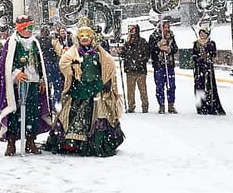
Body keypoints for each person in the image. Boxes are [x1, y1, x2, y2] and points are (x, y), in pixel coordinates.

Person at [44, 22, 125, 156]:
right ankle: (72, 143)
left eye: (87, 36)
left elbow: (109, 65)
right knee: (71, 115)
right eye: (82, 36)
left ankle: (95, 143)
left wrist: (107, 81)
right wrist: (72, 67)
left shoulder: (99, 52)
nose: (85, 38)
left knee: (98, 115)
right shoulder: (73, 52)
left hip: (95, 88)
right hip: (78, 89)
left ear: (92, 38)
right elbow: (63, 63)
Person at [0, 16, 53, 156]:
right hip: (17, 85)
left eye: (32, 27)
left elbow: (39, 63)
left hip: (33, 83)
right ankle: (11, 142)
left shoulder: (34, 43)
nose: (30, 31)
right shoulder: (12, 42)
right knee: (15, 114)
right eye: (28, 28)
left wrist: (41, 80)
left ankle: (30, 141)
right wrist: (16, 73)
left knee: (33, 112)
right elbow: (6, 64)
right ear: (21, 28)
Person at [193, 27, 225, 115]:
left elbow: (213, 54)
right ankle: (201, 107)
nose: (202, 35)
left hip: (208, 67)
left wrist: (208, 50)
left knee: (210, 86)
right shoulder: (196, 43)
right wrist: (198, 58)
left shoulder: (211, 43)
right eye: (200, 33)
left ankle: (211, 105)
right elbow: (194, 55)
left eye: (203, 33)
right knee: (199, 87)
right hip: (199, 68)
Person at [149, 19, 178, 114]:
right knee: (159, 86)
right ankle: (161, 105)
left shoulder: (171, 36)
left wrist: (169, 49)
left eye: (168, 27)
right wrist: (159, 47)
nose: (167, 29)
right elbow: (151, 49)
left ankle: (171, 105)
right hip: (159, 65)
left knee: (171, 86)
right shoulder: (153, 36)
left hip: (169, 65)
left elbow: (175, 48)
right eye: (165, 27)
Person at [120, 24, 150, 113]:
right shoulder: (127, 42)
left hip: (140, 70)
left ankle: (145, 106)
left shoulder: (143, 42)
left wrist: (139, 62)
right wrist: (121, 52)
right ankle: (131, 106)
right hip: (130, 70)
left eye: (132, 29)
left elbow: (146, 55)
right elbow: (123, 54)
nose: (131, 31)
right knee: (130, 90)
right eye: (130, 29)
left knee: (143, 90)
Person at [38, 25, 63, 107]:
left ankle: (46, 104)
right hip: (52, 64)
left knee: (45, 86)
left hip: (42, 65)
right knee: (57, 85)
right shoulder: (53, 40)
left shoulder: (37, 41)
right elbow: (60, 52)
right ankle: (56, 102)